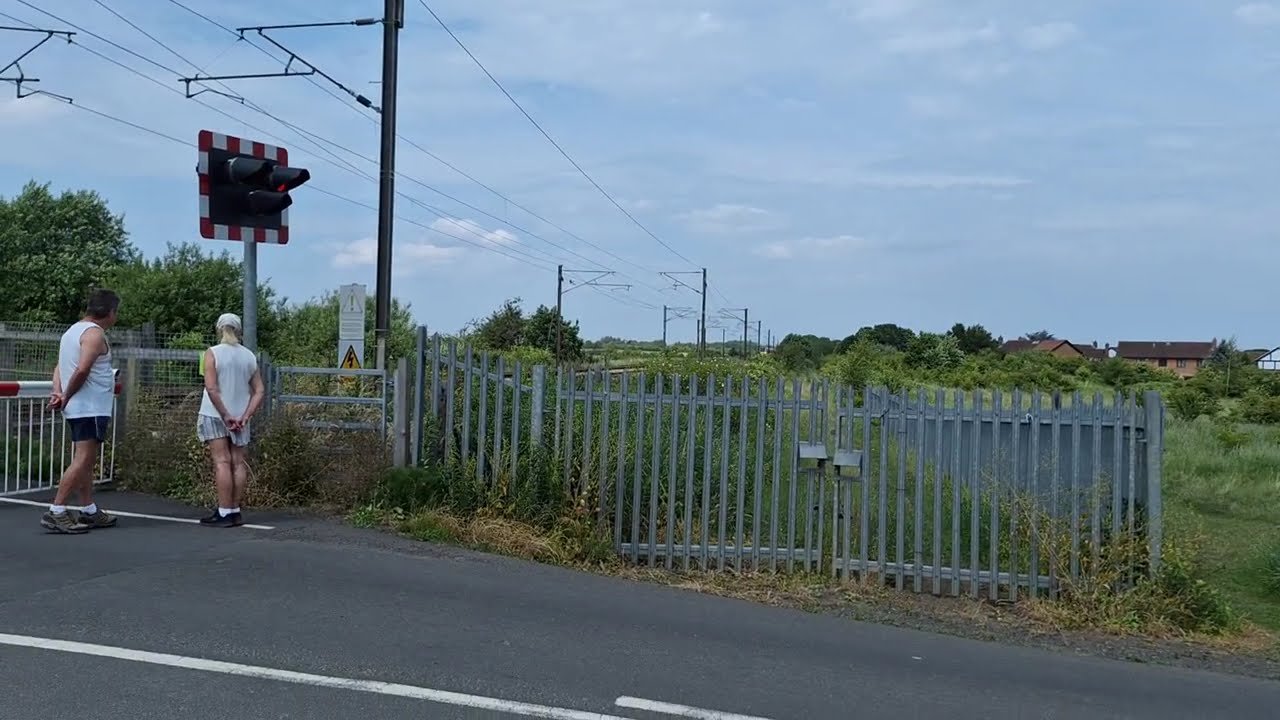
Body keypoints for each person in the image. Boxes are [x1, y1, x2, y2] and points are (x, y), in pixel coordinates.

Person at [44, 288, 121, 534]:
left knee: (85, 460)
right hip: (90, 406)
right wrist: (65, 395)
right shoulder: (94, 335)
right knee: (83, 460)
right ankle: (57, 510)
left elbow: (60, 366)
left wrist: (58, 392)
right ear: (109, 312)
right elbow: (82, 370)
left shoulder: (71, 332)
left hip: (78, 405)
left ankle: (88, 509)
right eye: (115, 312)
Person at [196, 313, 264, 528]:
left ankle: (224, 510)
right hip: (241, 414)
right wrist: (246, 415)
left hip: (215, 413)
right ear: (239, 330)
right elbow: (259, 390)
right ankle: (235, 510)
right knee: (238, 462)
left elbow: (212, 387)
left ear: (219, 329)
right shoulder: (249, 356)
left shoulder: (212, 353)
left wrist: (225, 414)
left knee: (222, 462)